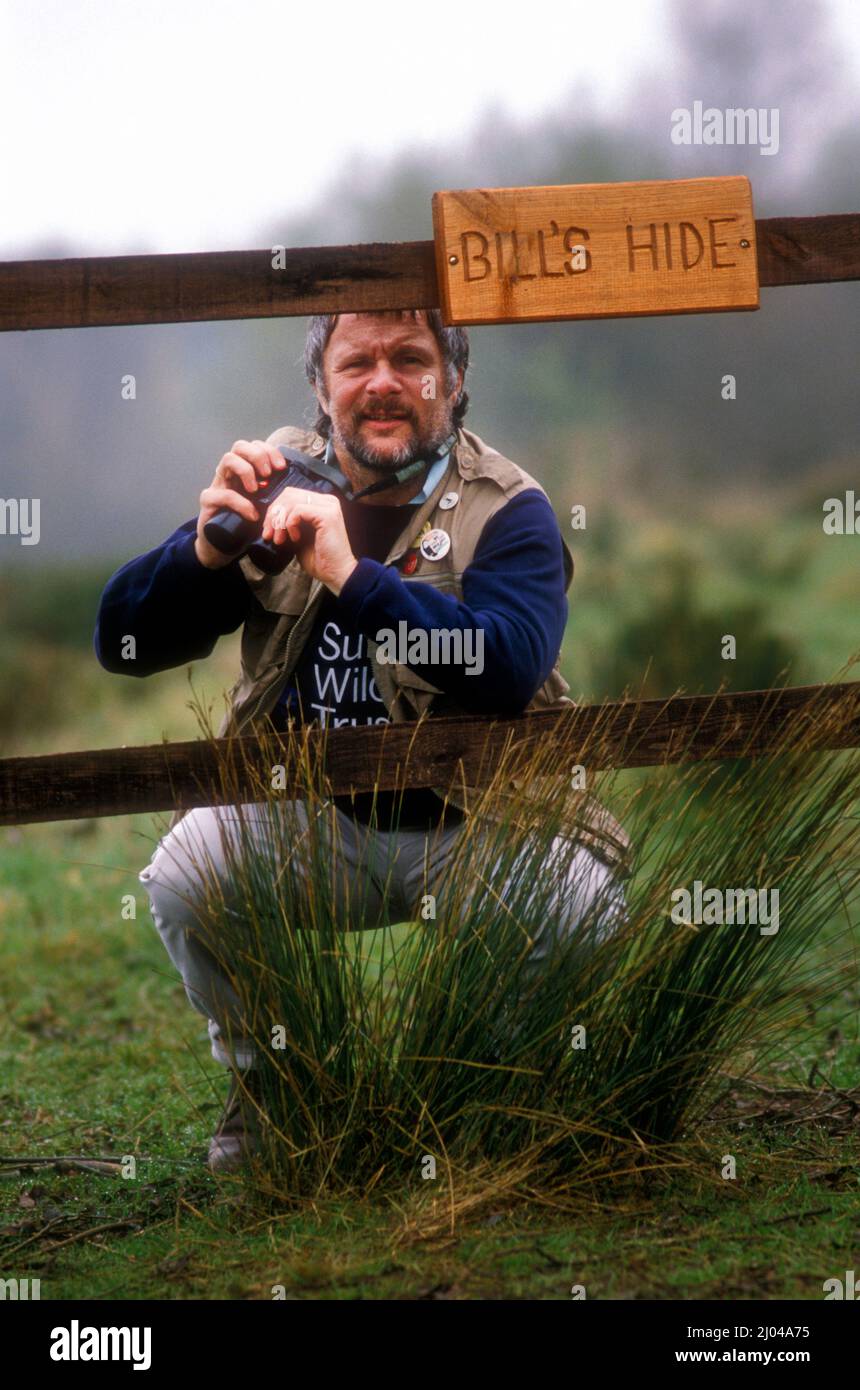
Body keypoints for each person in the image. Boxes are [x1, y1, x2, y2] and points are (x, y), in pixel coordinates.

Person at [94, 308, 632, 1172]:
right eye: (357, 362)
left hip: (481, 824)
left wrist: (351, 575)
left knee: (576, 904)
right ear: (322, 386)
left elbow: (507, 667)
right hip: (314, 825)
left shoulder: (508, 508)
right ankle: (282, 1094)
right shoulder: (274, 481)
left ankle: (475, 1100)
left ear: (451, 384)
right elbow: (120, 645)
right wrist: (199, 556)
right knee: (188, 878)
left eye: (410, 359)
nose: (382, 381)